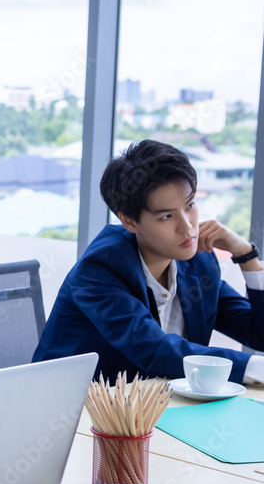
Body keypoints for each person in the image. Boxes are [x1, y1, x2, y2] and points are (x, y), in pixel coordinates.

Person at [33, 139, 264, 383]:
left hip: (159, 401)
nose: (187, 227)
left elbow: (258, 334)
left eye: (190, 205)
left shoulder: (198, 261)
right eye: (166, 217)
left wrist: (247, 256)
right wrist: (257, 368)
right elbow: (155, 350)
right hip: (71, 401)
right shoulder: (100, 269)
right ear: (129, 221)